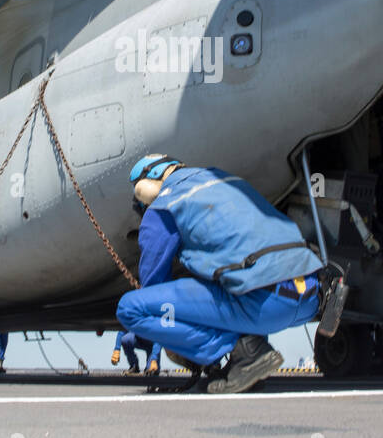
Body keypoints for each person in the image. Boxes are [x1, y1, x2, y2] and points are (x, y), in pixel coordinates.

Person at [115, 155, 322, 394]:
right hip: (308, 296)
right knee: (232, 280)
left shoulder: (163, 205)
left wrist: (178, 339)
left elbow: (153, 285)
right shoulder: (223, 180)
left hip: (266, 304)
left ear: (145, 187)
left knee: (131, 309)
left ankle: (244, 352)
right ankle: (246, 365)